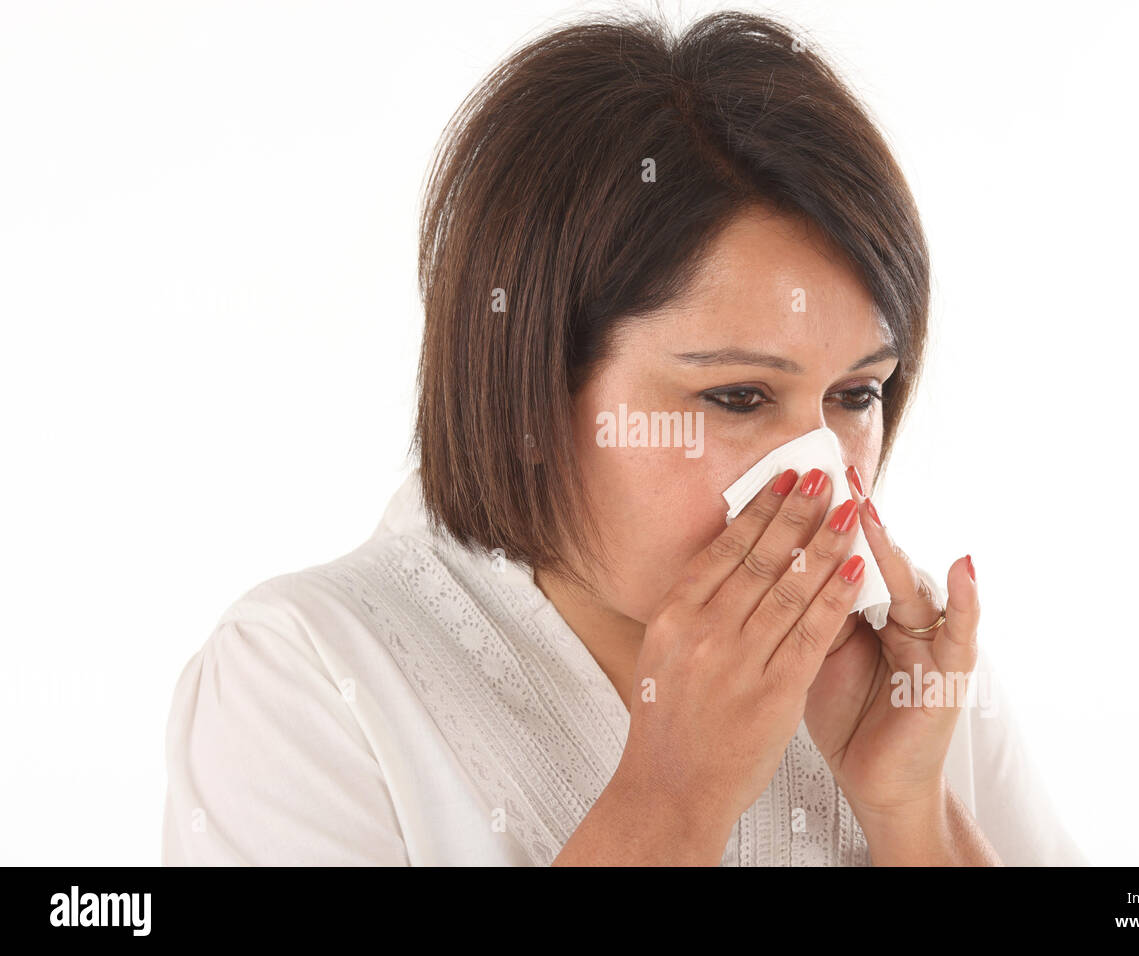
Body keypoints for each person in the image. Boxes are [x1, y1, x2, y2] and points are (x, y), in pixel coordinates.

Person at [163, 10, 1087, 866]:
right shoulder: (307, 674)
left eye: (856, 393)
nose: (823, 478)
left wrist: (908, 811)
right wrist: (673, 794)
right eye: (736, 396)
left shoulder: (901, 651)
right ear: (531, 385)